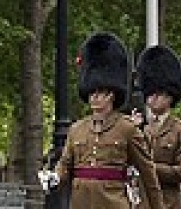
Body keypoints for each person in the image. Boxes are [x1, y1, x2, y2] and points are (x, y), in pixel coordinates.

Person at [44, 32, 164, 209]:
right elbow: (65, 164)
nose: (95, 98)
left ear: (111, 95)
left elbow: (148, 174)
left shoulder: (126, 129)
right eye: (92, 93)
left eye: (101, 93)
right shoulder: (77, 129)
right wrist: (55, 177)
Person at [137, 45, 181, 209]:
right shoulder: (139, 128)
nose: (153, 99)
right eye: (150, 94)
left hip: (168, 203)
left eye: (159, 94)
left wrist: (151, 169)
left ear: (170, 97)